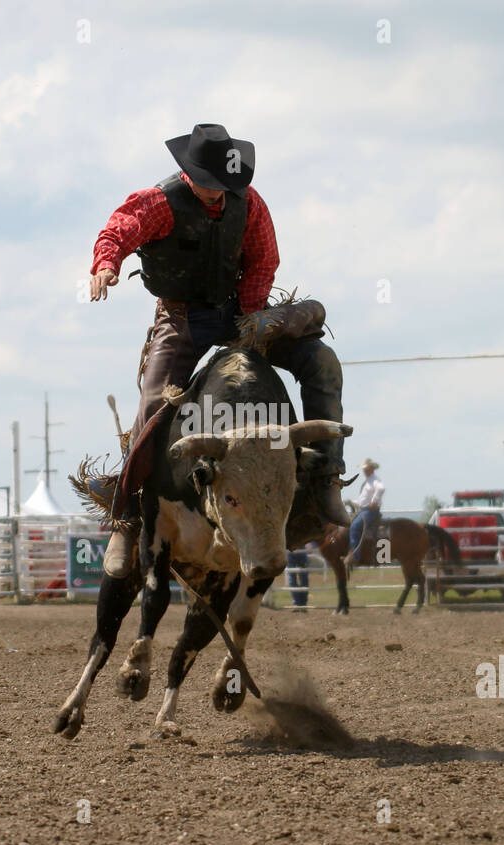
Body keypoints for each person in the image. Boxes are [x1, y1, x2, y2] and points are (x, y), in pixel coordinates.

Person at [88, 124, 350, 578]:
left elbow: (263, 260)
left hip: (241, 315)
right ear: (189, 175)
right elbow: (119, 229)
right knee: (154, 402)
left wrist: (252, 321)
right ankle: (126, 518)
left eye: (225, 186)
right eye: (210, 186)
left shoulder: (248, 203)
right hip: (182, 319)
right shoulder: (159, 202)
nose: (218, 195)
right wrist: (107, 265)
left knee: (320, 361)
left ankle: (325, 478)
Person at [348, 458, 383, 562]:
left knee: (354, 527)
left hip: (370, 511)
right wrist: (352, 502)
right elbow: (362, 500)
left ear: (371, 469)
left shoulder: (375, 481)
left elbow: (381, 488)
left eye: (366, 469)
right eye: (364, 469)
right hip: (363, 510)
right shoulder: (369, 481)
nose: (364, 471)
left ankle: (355, 556)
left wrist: (374, 501)